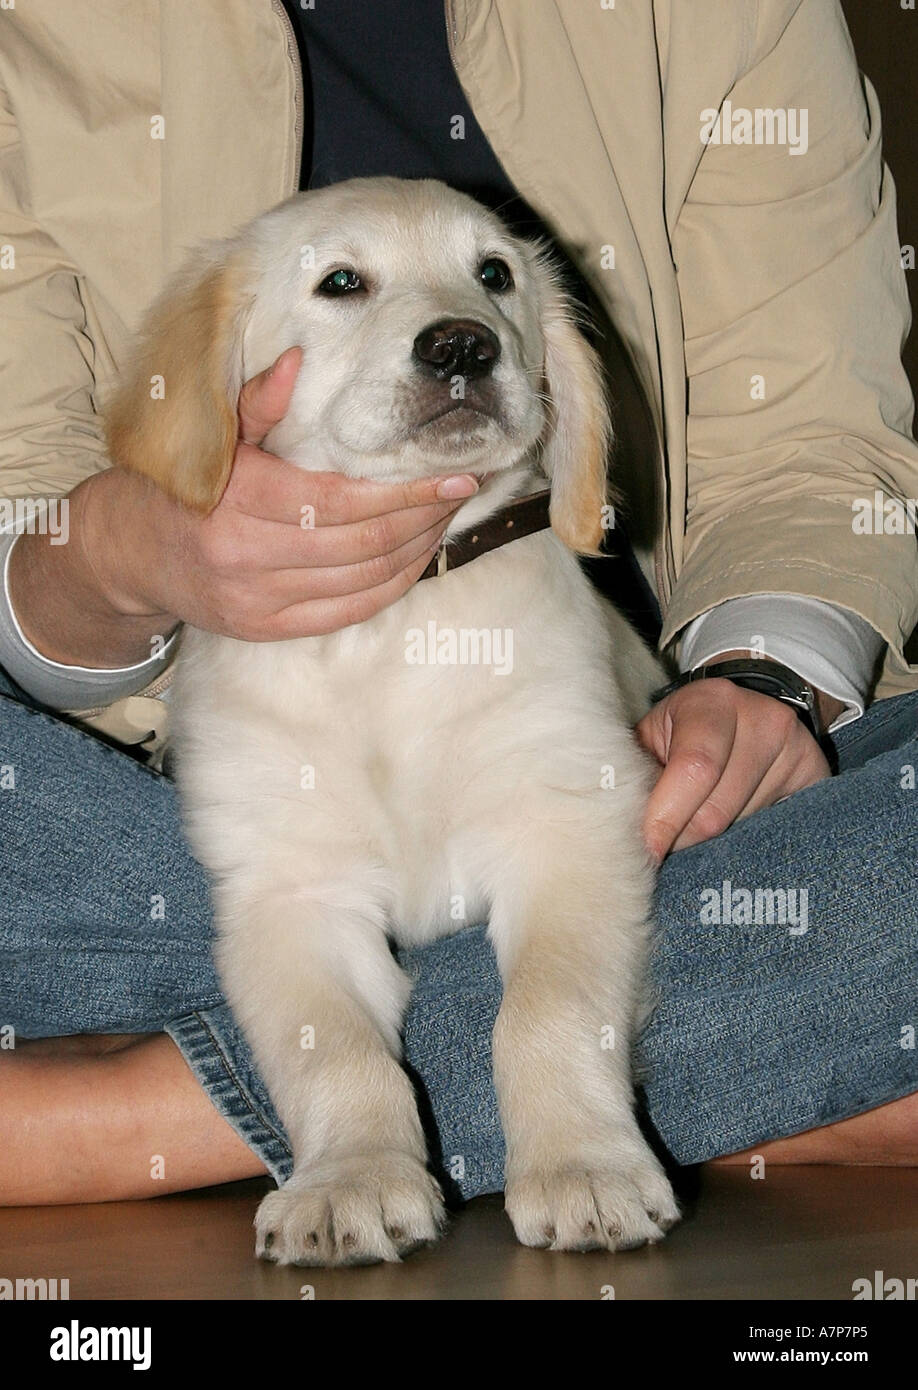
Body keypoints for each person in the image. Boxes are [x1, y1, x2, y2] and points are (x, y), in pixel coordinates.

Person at [1, 0, 916, 1208]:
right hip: (132, 811)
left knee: (686, 865)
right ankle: (788, 1050)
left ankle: (161, 1109)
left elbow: (814, 437)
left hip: (669, 821)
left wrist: (761, 681)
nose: (457, 333)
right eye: (341, 285)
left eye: (489, 284)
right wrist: (127, 551)